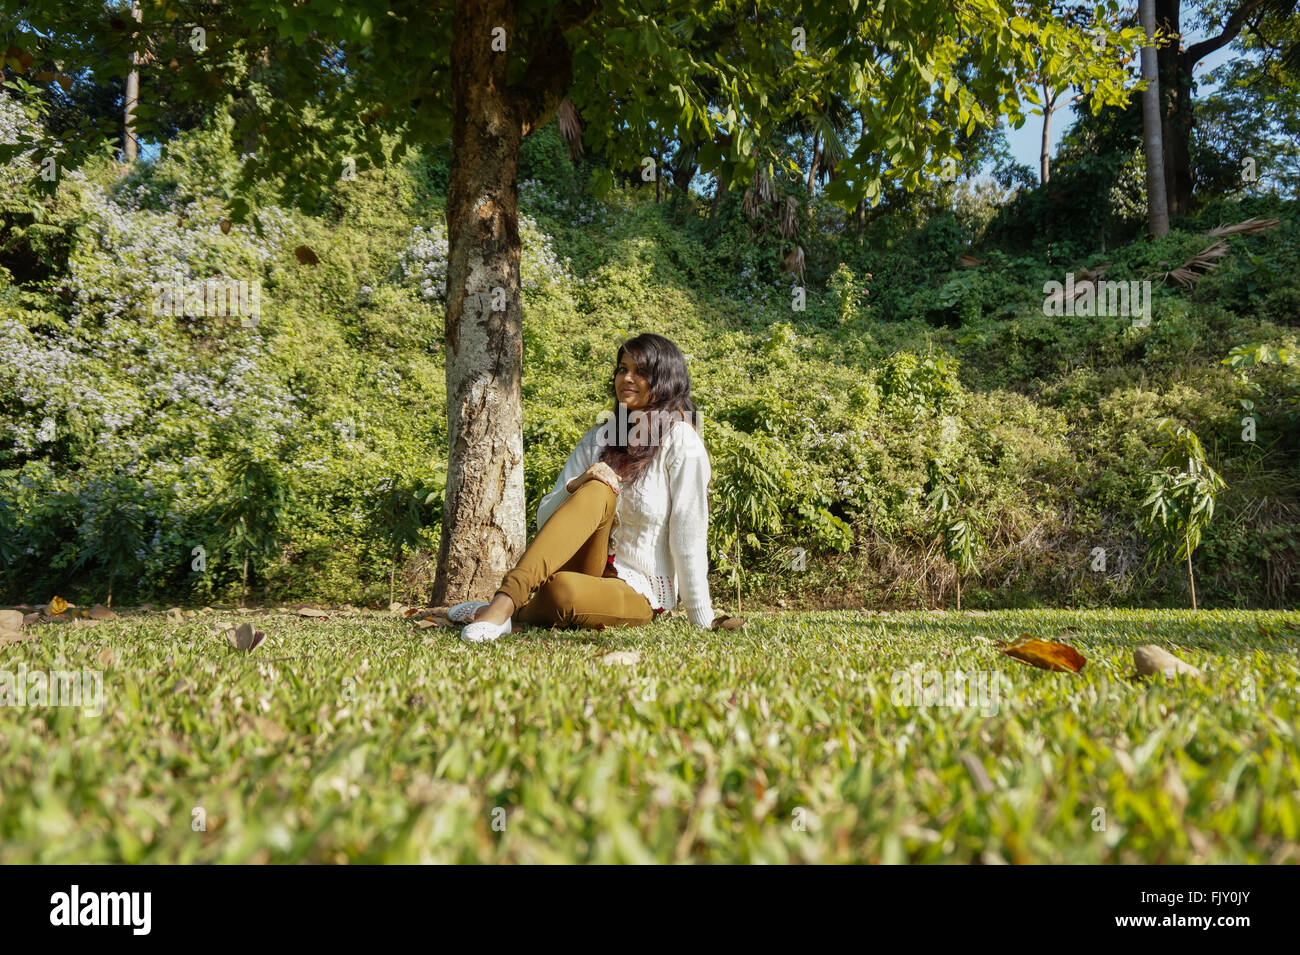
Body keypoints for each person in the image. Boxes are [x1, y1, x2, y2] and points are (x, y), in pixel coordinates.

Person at [454, 333, 743, 642]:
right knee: (598, 486)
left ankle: (507, 612)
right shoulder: (600, 437)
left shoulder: (682, 440)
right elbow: (544, 519)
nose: (627, 378)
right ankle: (502, 605)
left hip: (637, 588)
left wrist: (701, 616)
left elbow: (689, 531)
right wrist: (574, 485)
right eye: (621, 369)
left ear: (664, 380)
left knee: (561, 592)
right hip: (582, 566)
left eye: (640, 371)